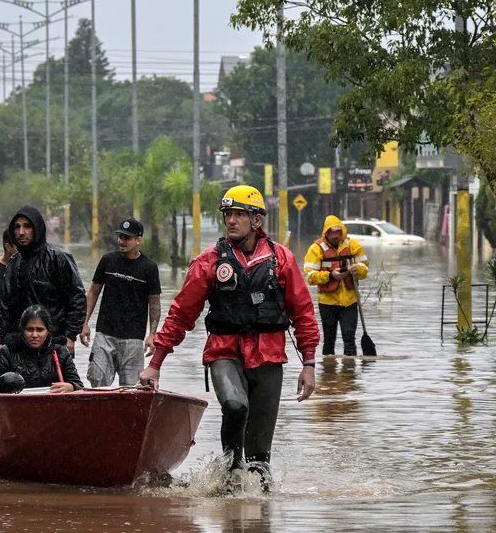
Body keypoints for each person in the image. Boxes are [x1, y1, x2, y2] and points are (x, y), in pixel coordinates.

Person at [139, 185, 319, 491]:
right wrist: (155, 363)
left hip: (269, 357)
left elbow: (303, 313)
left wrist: (310, 364)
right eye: (228, 215)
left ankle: (256, 506)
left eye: (238, 214)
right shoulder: (208, 263)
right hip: (224, 352)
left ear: (257, 220)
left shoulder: (282, 260)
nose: (231, 221)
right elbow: (180, 315)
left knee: (261, 456)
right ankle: (230, 473)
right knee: (235, 406)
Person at [80, 217, 161, 387]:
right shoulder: (108, 260)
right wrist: (84, 322)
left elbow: (154, 303)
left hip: (133, 340)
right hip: (104, 335)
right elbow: (93, 292)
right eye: (120, 237)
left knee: (131, 389)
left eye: (127, 238)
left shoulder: (149, 268)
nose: (122, 241)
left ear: (138, 240)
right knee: (97, 380)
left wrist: (152, 334)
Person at [0, 205, 86, 355]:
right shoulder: (13, 265)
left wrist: (70, 336)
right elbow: (5, 308)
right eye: (17, 227)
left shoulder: (58, 258)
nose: (21, 232)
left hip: (56, 341)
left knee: (59, 379)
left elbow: (77, 299)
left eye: (27, 227)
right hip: (20, 344)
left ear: (37, 228)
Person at [303, 215, 369, 356]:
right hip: (327, 303)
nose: (335, 237)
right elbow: (310, 276)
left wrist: (358, 269)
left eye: (338, 233)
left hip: (350, 301)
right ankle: (328, 372)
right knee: (329, 341)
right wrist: (330, 275)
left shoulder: (352, 245)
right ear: (326, 233)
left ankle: (349, 374)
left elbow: (365, 268)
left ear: (342, 232)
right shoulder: (316, 249)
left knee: (349, 339)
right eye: (332, 234)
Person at [0, 306, 82, 392]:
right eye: (30, 329)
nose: (34, 335)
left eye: (40, 330)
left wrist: (71, 386)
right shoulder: (7, 353)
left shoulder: (61, 352)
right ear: (22, 330)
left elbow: (79, 386)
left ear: (48, 331)